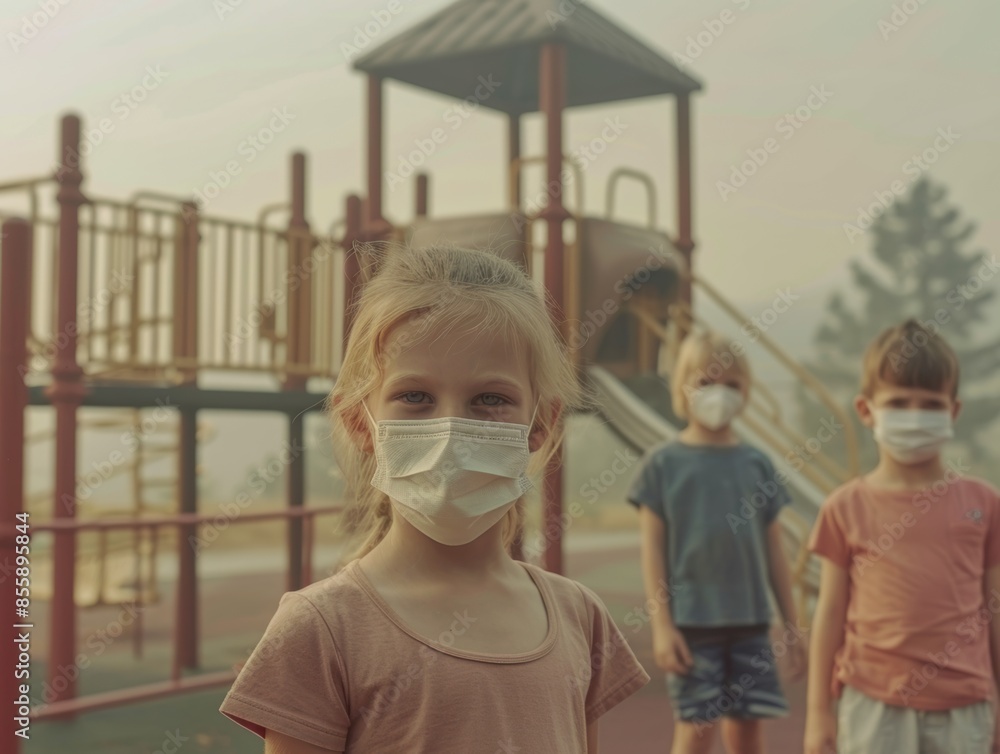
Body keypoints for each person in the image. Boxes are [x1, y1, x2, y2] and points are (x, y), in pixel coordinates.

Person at [219, 244, 649, 753]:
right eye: (415, 397)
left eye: (490, 399)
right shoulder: (321, 628)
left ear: (542, 424)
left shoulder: (580, 615)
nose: (451, 430)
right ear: (362, 423)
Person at [804, 319, 1000, 754]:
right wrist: (818, 714)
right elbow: (830, 613)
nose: (915, 416)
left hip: (965, 705)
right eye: (898, 402)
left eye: (930, 404)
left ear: (953, 411)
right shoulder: (843, 508)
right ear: (866, 409)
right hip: (873, 703)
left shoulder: (985, 504)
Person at [627, 330, 805, 754]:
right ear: (682, 386)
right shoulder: (663, 465)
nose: (718, 393)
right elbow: (652, 550)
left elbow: (775, 552)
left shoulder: (757, 464)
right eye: (706, 382)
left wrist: (793, 626)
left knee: (748, 733)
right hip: (691, 626)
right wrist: (662, 625)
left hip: (751, 623)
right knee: (696, 729)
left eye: (731, 384)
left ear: (746, 392)